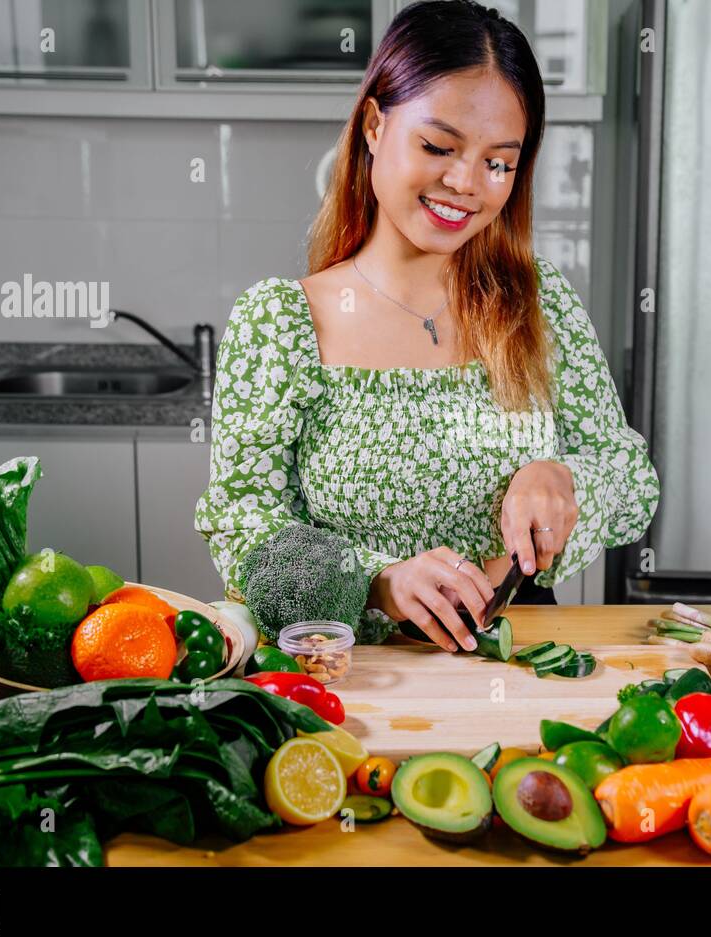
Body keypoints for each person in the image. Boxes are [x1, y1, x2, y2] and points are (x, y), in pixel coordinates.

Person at [195, 0, 660, 651]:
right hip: (351, 670)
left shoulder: (539, 303)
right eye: (439, 145)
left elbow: (630, 478)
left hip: (517, 659)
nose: (466, 183)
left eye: (500, 161)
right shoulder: (280, 322)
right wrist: (375, 581)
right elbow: (246, 527)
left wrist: (562, 478)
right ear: (375, 126)